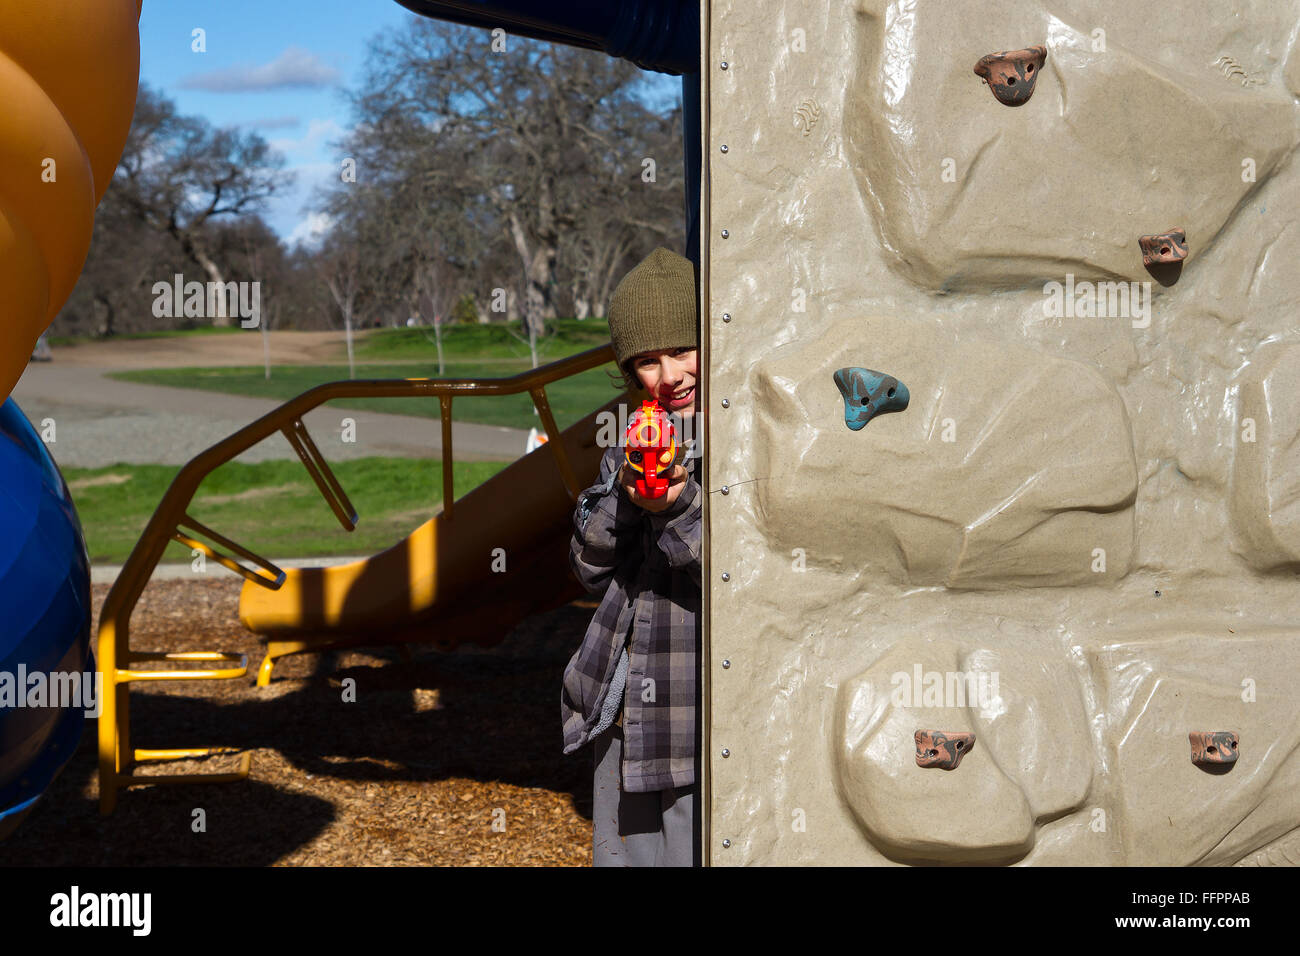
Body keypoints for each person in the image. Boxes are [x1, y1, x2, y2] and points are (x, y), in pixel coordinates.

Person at [562, 247, 702, 867]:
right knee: (625, 851)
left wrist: (678, 503)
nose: (668, 375)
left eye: (682, 350)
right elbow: (588, 569)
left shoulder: (750, 439)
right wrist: (624, 495)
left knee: (691, 842)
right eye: (648, 360)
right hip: (620, 699)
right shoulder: (630, 442)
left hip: (694, 707)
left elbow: (730, 565)